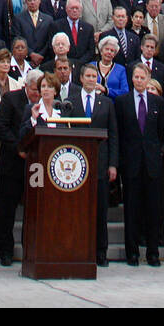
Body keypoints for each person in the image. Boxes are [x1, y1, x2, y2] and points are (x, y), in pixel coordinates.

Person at [62, 62, 119, 266]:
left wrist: (113, 164)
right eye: (88, 76)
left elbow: (113, 135)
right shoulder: (70, 101)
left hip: (101, 164)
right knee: (76, 210)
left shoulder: (107, 103)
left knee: (99, 210)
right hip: (76, 165)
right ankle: (75, 248)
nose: (91, 80)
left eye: (94, 77)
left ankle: (100, 251)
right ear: (81, 78)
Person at [116, 62, 164, 266]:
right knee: (132, 210)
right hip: (131, 163)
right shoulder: (122, 102)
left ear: (148, 79)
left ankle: (153, 252)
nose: (138, 81)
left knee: (153, 210)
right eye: (135, 77)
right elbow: (119, 133)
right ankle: (132, 252)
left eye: (142, 77)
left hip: (153, 164)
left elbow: (160, 133)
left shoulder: (157, 102)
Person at [0, 71, 42, 266]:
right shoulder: (11, 99)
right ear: (26, 86)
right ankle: (4, 251)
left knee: (33, 209)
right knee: (7, 210)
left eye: (40, 90)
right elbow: (2, 128)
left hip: (35, 165)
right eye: (34, 90)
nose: (37, 94)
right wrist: (19, 148)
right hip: (11, 164)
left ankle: (30, 248)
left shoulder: (46, 103)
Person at [12, 0, 53, 65]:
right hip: (25, 61)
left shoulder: (49, 19)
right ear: (26, 2)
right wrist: (31, 54)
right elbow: (16, 38)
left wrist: (41, 55)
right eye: (29, 0)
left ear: (39, 0)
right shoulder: (18, 18)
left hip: (44, 61)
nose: (32, 2)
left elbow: (50, 41)